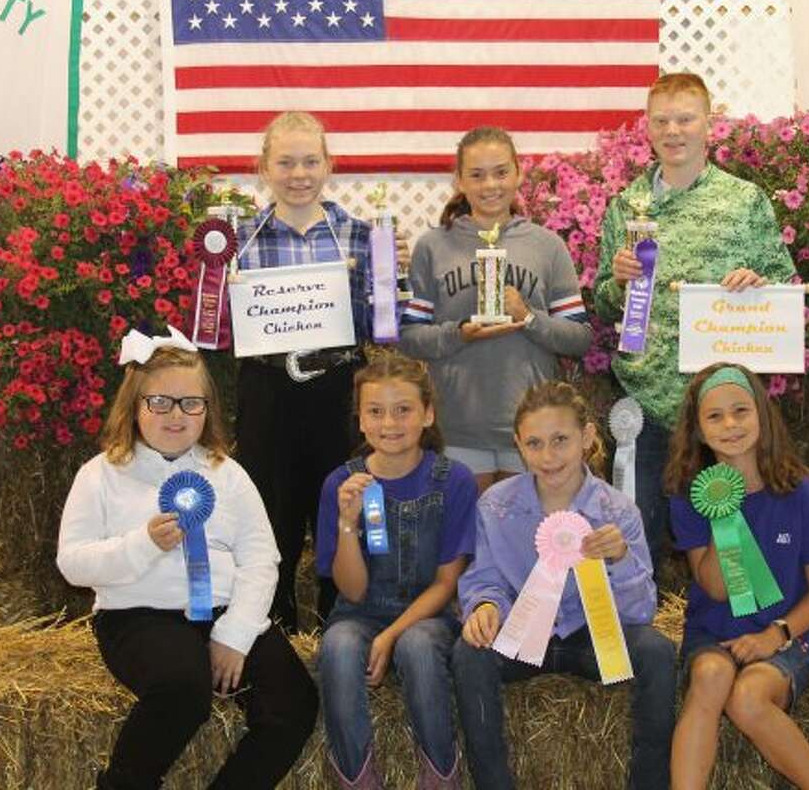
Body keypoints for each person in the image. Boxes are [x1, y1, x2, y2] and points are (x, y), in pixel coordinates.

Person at [57, 327, 318, 790]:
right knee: (182, 687)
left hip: (224, 611)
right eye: (160, 402)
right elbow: (73, 562)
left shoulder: (228, 474)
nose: (176, 415)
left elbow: (261, 559)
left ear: (207, 409)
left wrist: (236, 634)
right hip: (139, 617)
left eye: (190, 403)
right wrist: (141, 544)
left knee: (294, 703)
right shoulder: (100, 475)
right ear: (134, 406)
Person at [593, 72, 796, 563]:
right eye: (661, 121)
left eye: (685, 119)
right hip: (645, 400)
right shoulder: (626, 206)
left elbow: (784, 287)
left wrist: (757, 283)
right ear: (647, 127)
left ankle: (735, 612)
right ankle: (638, 613)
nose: (673, 131)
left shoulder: (744, 201)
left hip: (721, 405)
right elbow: (602, 304)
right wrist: (616, 283)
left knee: (732, 546)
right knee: (635, 541)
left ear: (709, 124)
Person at [452, 380, 677, 790]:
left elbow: (641, 612)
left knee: (658, 652)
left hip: (594, 639)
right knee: (469, 654)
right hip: (522, 637)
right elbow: (485, 578)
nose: (548, 456)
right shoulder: (495, 505)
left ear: (587, 437)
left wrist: (621, 559)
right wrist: (484, 606)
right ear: (518, 446)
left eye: (560, 440)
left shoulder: (618, 512)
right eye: (534, 443)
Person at [233, 111, 407, 632]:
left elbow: (383, 327)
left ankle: (342, 623)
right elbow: (219, 327)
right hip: (267, 387)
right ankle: (272, 626)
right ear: (264, 168)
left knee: (341, 503)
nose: (299, 174)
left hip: (338, 386)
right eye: (286, 162)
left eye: (310, 161)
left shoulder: (360, 235)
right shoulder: (237, 239)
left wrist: (392, 275)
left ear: (329, 165)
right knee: (271, 511)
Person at [665, 363, 809, 790]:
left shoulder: (804, 495)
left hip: (784, 637)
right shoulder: (688, 498)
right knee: (711, 677)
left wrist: (775, 634)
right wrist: (722, 513)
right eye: (715, 416)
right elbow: (715, 588)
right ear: (698, 430)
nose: (730, 424)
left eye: (740, 411)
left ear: (762, 414)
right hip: (713, 634)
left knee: (747, 697)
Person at [315, 352, 477, 789]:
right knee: (337, 646)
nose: (389, 423)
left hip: (430, 613)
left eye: (403, 409)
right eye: (375, 411)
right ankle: (356, 777)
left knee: (416, 646)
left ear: (428, 414)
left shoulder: (454, 480)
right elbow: (351, 591)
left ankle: (441, 774)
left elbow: (447, 583)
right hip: (360, 611)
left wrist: (389, 636)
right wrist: (347, 523)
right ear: (361, 420)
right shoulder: (340, 483)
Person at [401, 127, 592, 494]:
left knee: (529, 530)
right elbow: (409, 337)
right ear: (459, 180)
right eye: (477, 175)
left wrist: (529, 318)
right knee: (465, 530)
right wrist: (458, 333)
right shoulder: (432, 246)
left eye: (501, 172)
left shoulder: (547, 245)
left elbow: (579, 338)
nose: (490, 184)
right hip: (459, 428)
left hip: (533, 429)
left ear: (518, 173)